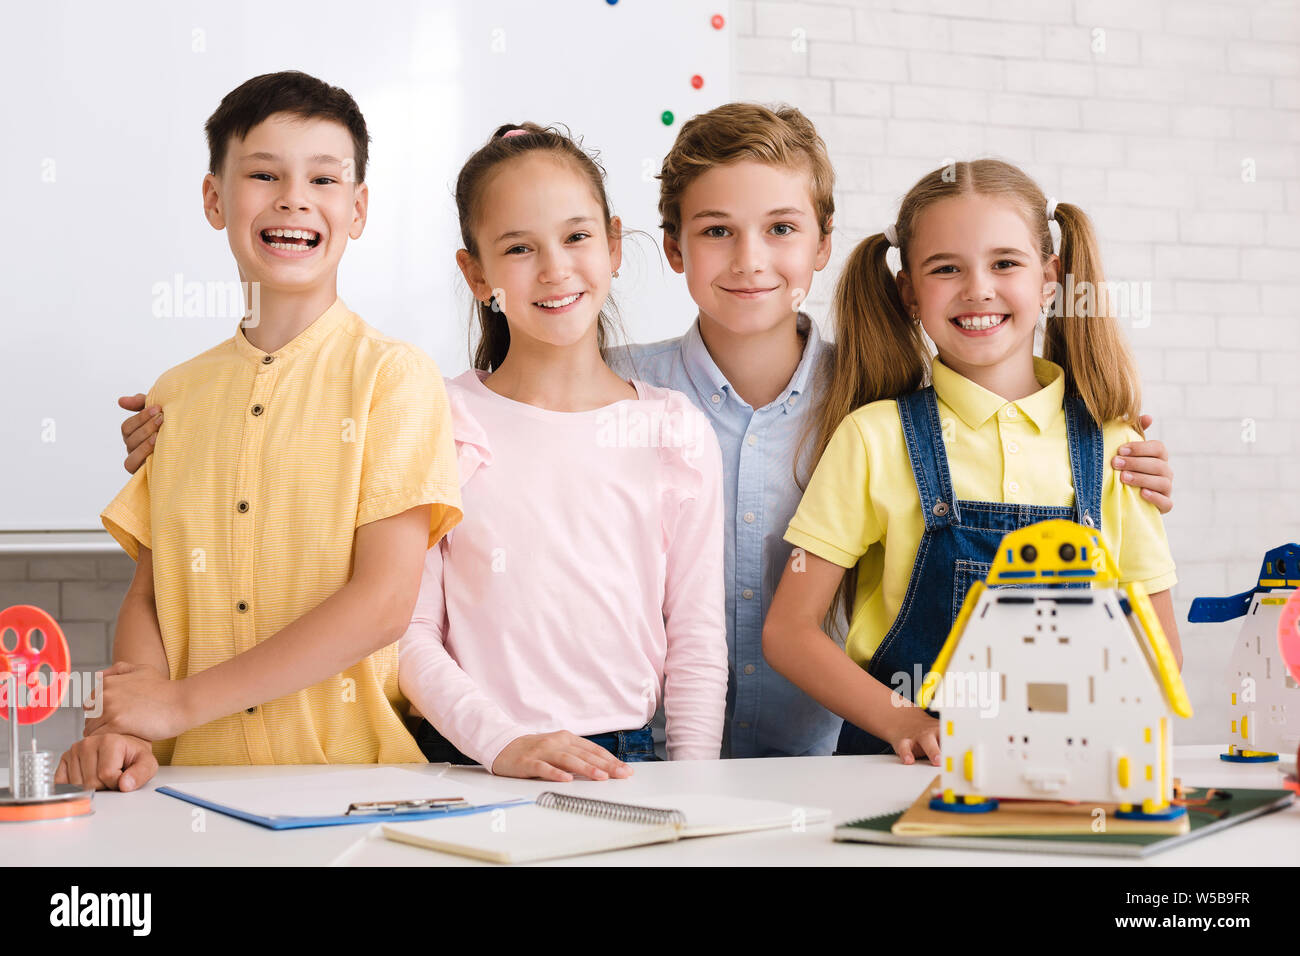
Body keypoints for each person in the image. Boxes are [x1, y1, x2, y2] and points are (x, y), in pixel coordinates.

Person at [56, 71, 462, 792]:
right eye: (264, 173)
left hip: (351, 787)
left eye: (324, 179)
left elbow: (383, 602)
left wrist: (176, 704)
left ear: (359, 208)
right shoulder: (174, 395)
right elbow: (152, 595)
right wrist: (124, 729)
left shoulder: (393, 378)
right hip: (189, 787)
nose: (294, 197)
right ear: (215, 199)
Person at [763, 159, 1180, 762]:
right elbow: (788, 632)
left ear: (1050, 279)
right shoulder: (873, 438)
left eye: (1004, 263)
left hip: (1065, 770)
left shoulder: (1116, 448)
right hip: (893, 771)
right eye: (945, 268)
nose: (977, 288)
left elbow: (1157, 646)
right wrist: (901, 720)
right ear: (909, 292)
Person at [398, 123, 727, 782]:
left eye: (576, 237)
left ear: (612, 246)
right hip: (473, 760)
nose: (554, 269)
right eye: (519, 248)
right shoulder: (441, 417)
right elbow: (410, 636)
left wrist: (696, 789)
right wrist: (501, 744)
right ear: (476, 273)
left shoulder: (672, 428)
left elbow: (696, 640)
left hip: (623, 761)